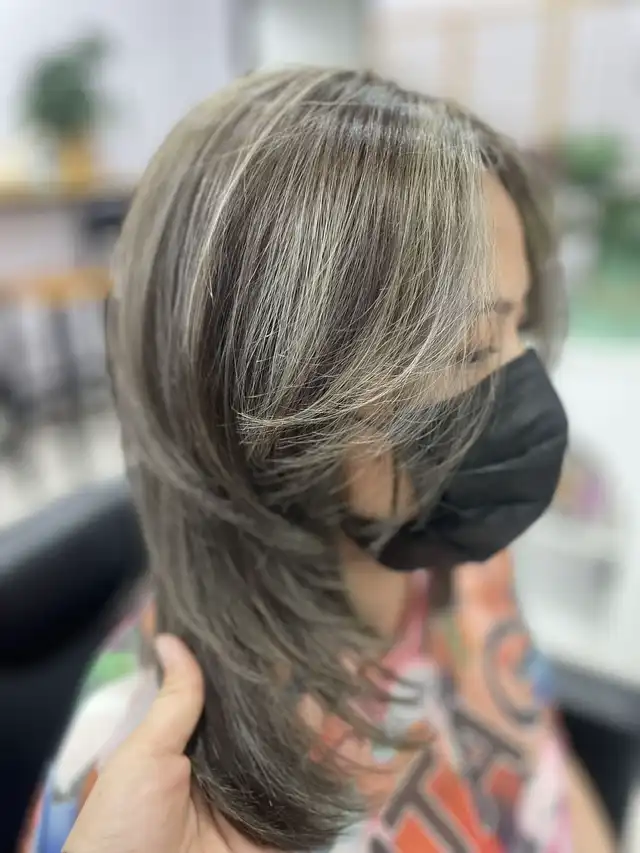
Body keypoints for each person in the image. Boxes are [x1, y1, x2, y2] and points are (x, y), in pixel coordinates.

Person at [28, 67, 615, 853]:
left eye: (520, 327)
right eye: (472, 348)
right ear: (265, 388)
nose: (523, 383)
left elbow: (547, 776)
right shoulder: (150, 787)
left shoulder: (459, 562)